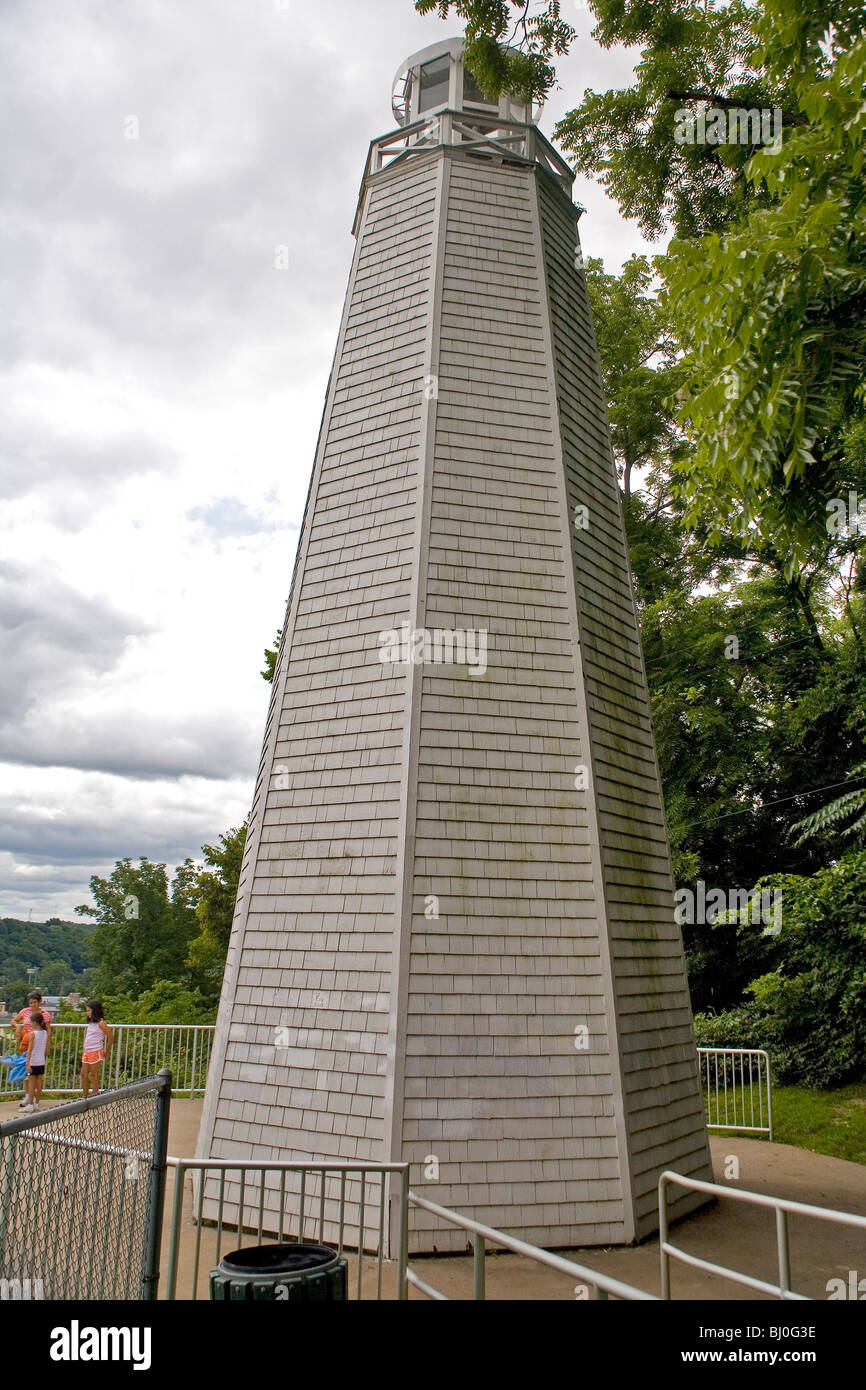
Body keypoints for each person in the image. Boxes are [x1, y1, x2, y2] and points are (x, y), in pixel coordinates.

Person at [13, 991, 52, 1110]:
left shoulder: (44, 1015)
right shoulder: (24, 1012)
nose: (32, 1005)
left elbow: (48, 1030)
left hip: (36, 1048)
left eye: (34, 1002)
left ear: (39, 1002)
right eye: (30, 1003)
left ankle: (31, 1101)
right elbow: (14, 1020)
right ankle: (29, 1097)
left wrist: (47, 1047)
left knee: (32, 1075)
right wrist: (18, 1027)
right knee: (28, 1074)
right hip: (25, 1045)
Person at [81, 1000, 112, 1098]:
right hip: (87, 1051)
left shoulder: (101, 1023)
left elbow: (111, 1037)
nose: (87, 1013)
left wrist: (107, 1051)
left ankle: (95, 1098)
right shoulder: (91, 1023)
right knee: (83, 1074)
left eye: (89, 1011)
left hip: (96, 1051)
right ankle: (84, 1097)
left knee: (94, 1075)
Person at [24, 1010, 49, 1112]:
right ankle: (36, 1103)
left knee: (31, 1084)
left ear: (34, 1022)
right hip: (41, 1061)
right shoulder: (45, 1033)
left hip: (33, 1061)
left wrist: (27, 1063)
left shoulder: (33, 1034)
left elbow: (30, 1050)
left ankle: (30, 1104)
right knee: (39, 1084)